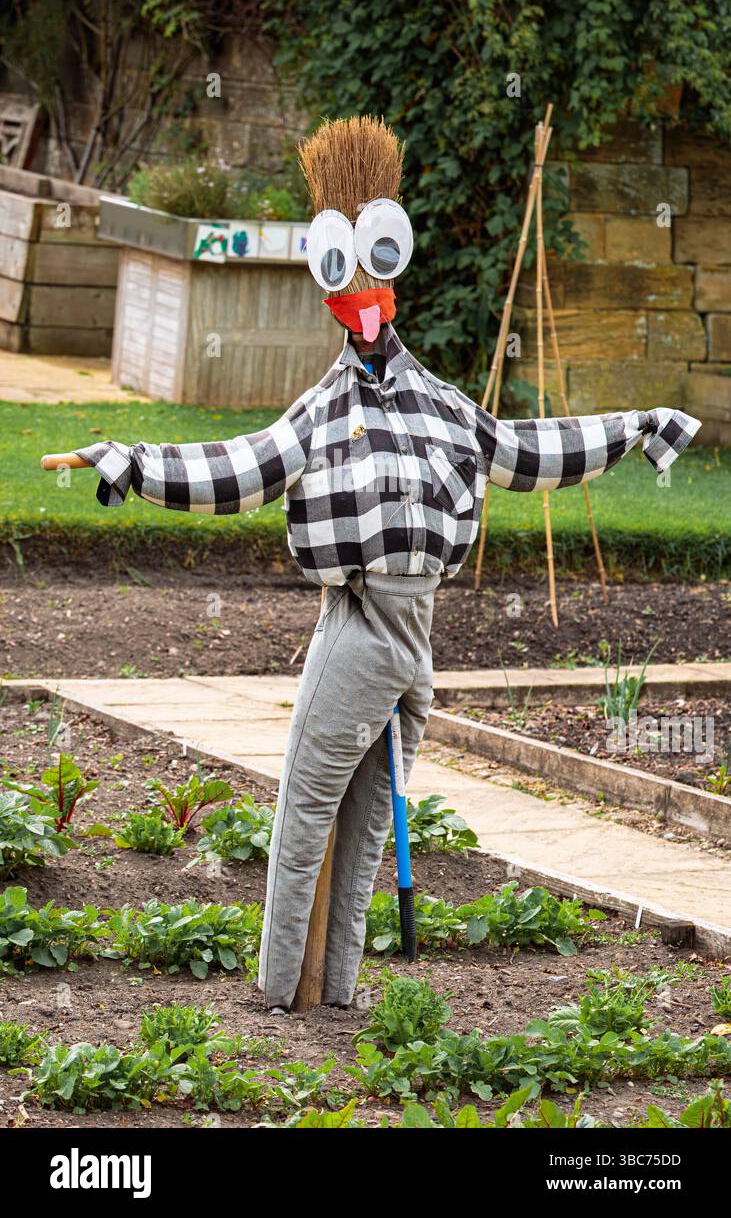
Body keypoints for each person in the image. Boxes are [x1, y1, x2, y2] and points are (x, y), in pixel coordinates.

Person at [41, 116, 700, 1011]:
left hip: (389, 637)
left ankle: (294, 997)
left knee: (318, 817)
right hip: (374, 629)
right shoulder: (326, 410)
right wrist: (130, 459)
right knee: (335, 819)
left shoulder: (438, 406)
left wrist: (635, 426)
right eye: (343, 276)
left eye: (370, 271)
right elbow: (238, 467)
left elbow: (526, 449)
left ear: (391, 271)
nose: (360, 296)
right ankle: (308, 993)